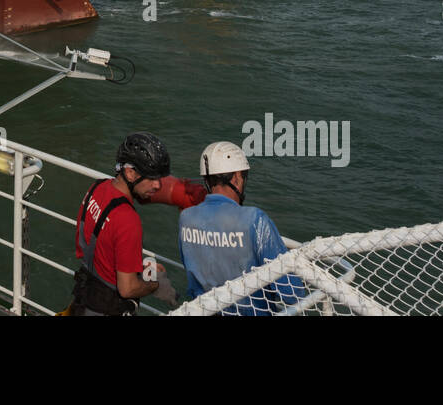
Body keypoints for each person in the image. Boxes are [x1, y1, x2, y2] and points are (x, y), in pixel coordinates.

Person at [177, 141, 306, 314]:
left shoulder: (186, 218)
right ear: (237, 178)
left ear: (206, 180)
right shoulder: (255, 220)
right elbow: (291, 293)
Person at [68, 132, 178, 315]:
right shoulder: (128, 219)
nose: (158, 186)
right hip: (107, 307)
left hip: (84, 296)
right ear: (130, 172)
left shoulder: (96, 188)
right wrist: (155, 285)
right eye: (152, 178)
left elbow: (101, 245)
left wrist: (138, 268)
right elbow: (127, 289)